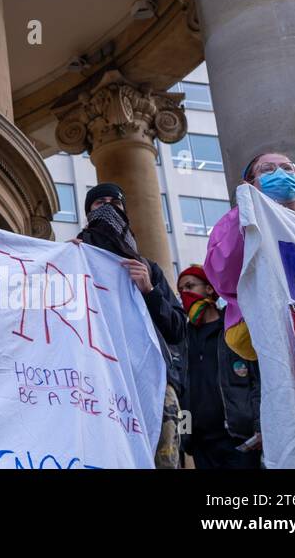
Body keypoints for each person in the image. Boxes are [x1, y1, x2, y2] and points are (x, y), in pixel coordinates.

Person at [72, 183, 187, 468]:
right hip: (95, 378)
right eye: (100, 204)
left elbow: (176, 329)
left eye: (115, 202)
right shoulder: (74, 259)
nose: (109, 207)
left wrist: (149, 290)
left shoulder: (148, 269)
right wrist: (67, 266)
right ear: (88, 214)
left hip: (153, 383)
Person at [204, 152, 295, 362]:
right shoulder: (234, 223)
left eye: (287, 168)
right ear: (249, 183)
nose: (280, 174)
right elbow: (223, 273)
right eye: (267, 170)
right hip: (260, 328)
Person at [175, 265, 261, 468]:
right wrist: (185, 437)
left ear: (209, 289)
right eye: (180, 291)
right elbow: (181, 393)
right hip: (200, 445)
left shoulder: (234, 330)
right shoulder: (182, 338)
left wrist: (259, 426)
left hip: (239, 440)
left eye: (189, 286)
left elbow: (256, 381)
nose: (185, 294)